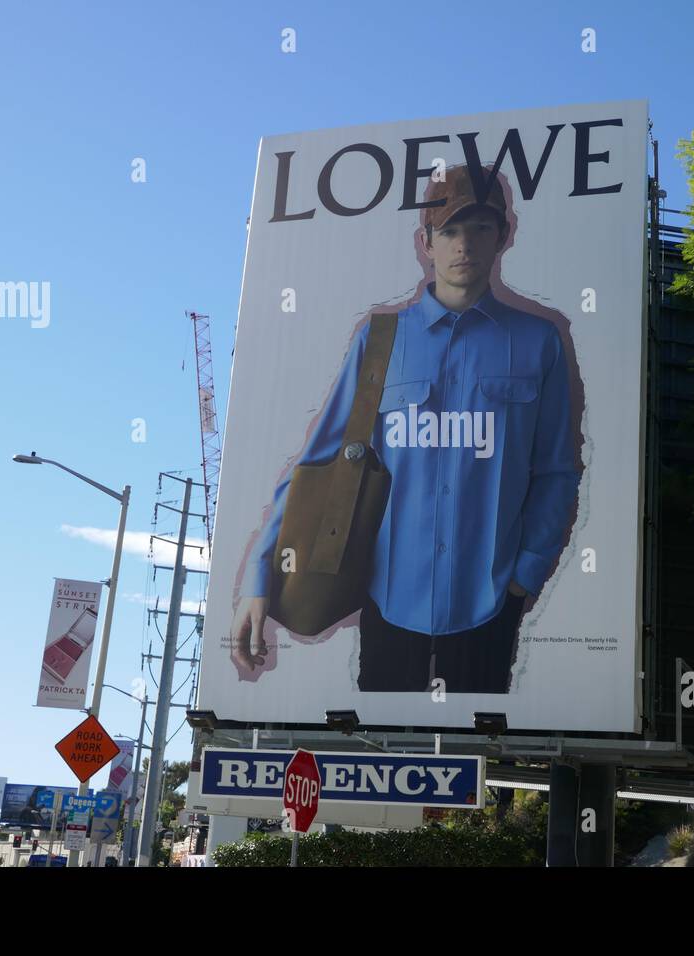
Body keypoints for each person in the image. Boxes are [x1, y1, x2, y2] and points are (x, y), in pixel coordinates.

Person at [231, 164, 580, 693]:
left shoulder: (538, 343)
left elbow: (556, 470)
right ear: (426, 242)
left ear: (504, 236)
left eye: (481, 228)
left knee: (474, 768)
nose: (465, 244)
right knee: (384, 762)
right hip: (387, 603)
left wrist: (522, 577)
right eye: (450, 230)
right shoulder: (380, 340)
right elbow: (317, 465)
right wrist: (261, 577)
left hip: (489, 609)